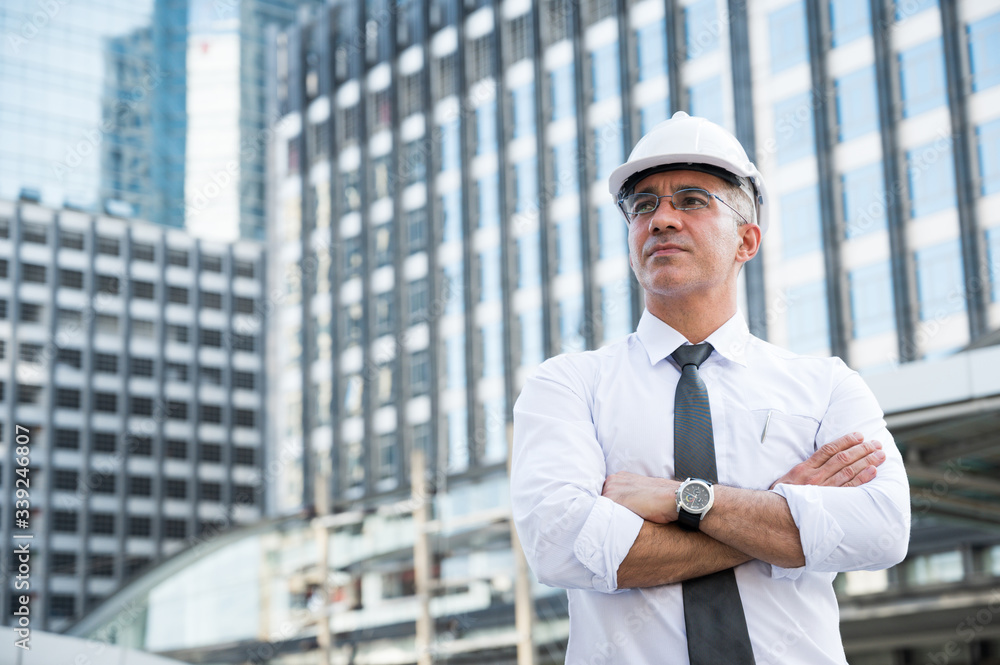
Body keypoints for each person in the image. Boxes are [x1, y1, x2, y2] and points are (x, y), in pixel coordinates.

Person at [510, 112, 910, 664]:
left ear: (747, 240)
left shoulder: (826, 386)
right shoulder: (567, 385)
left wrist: (684, 500)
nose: (661, 220)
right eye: (643, 205)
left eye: (692, 200)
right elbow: (562, 547)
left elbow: (883, 531)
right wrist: (776, 516)